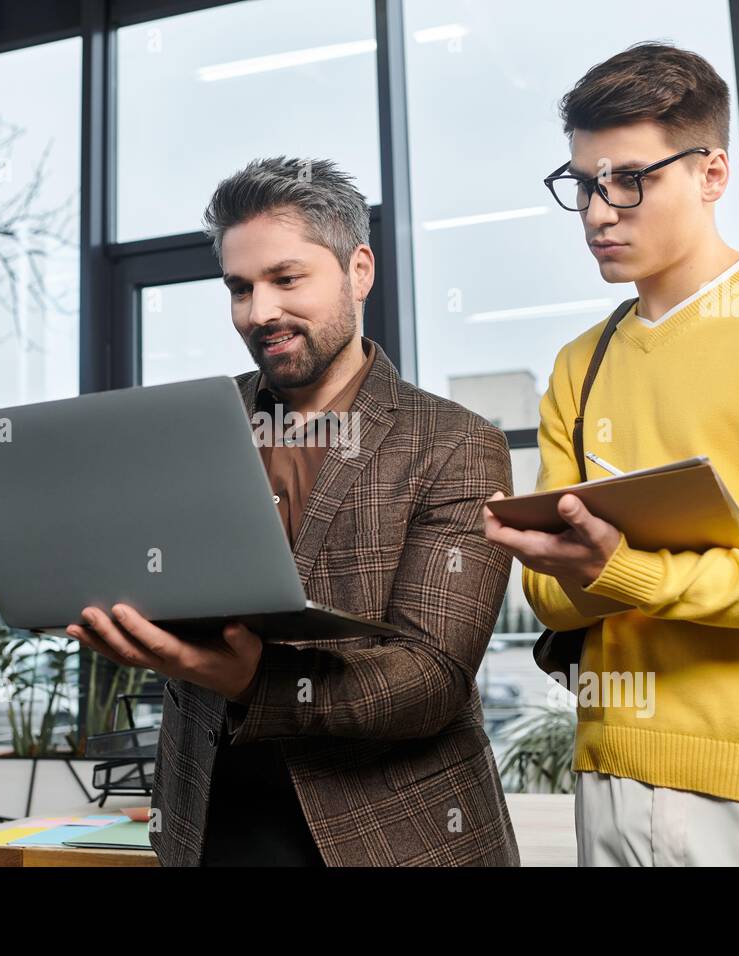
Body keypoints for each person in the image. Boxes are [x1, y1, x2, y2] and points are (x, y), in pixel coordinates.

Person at [483, 43, 739, 866]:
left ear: (711, 174)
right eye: (583, 184)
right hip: (611, 783)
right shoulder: (581, 362)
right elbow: (549, 595)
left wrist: (628, 570)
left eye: (631, 180)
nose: (602, 211)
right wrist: (583, 569)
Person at [69, 156, 519, 866]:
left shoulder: (456, 443)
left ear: (359, 270)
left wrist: (254, 681)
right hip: (212, 828)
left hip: (392, 841)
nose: (260, 312)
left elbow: (432, 677)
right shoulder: (190, 428)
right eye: (240, 288)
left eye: (286, 279)